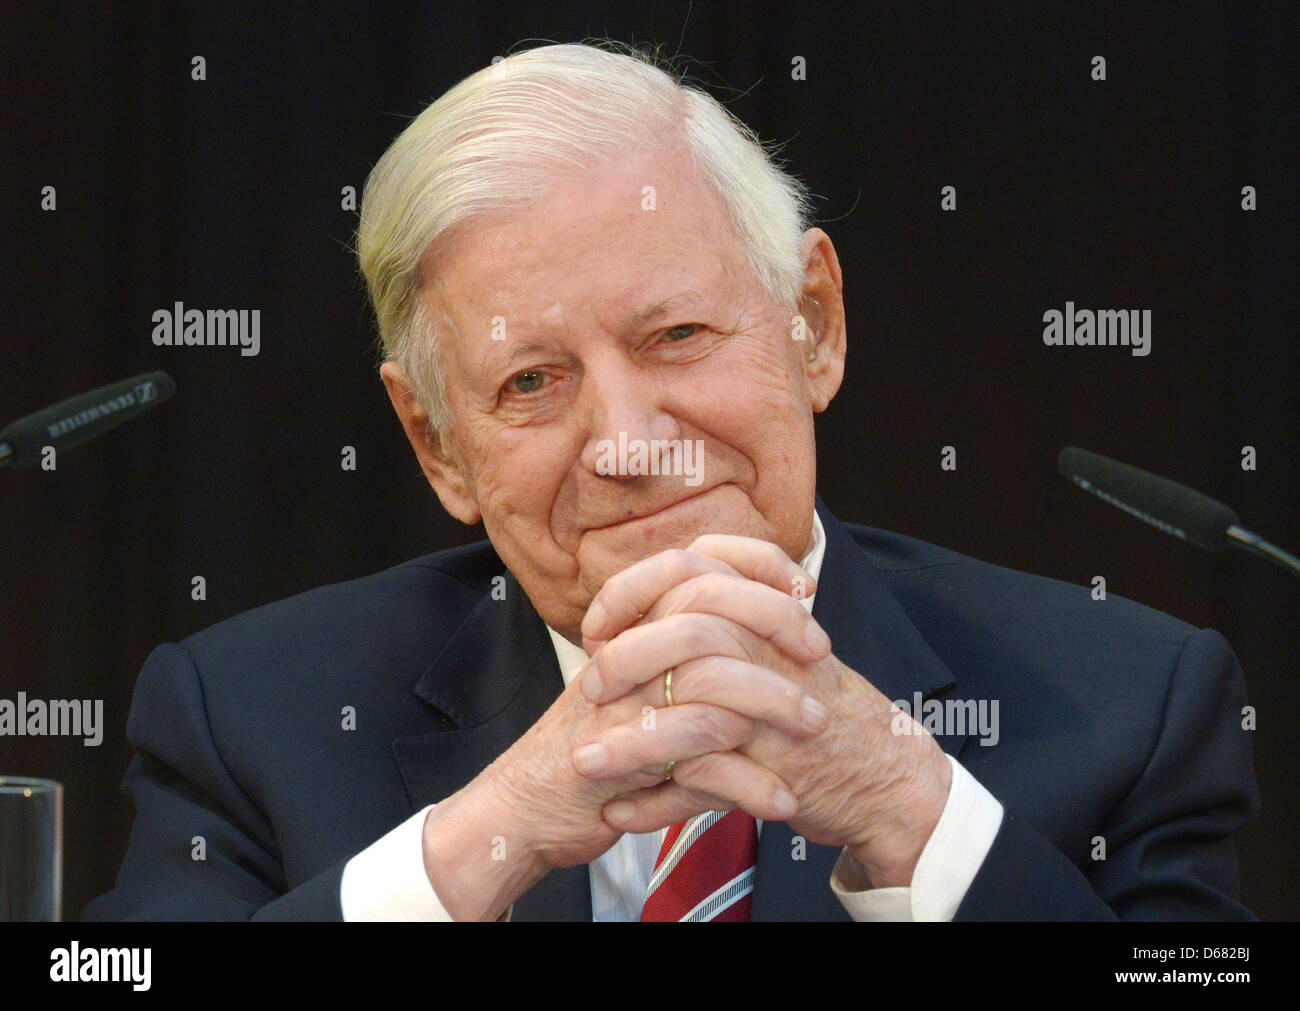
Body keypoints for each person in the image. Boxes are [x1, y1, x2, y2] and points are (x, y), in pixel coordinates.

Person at [84, 42, 1258, 922]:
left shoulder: (1126, 703)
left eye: (678, 336)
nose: (628, 441)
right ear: (437, 444)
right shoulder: (247, 721)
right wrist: (481, 844)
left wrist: (908, 814)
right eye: (534, 381)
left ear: (814, 324)